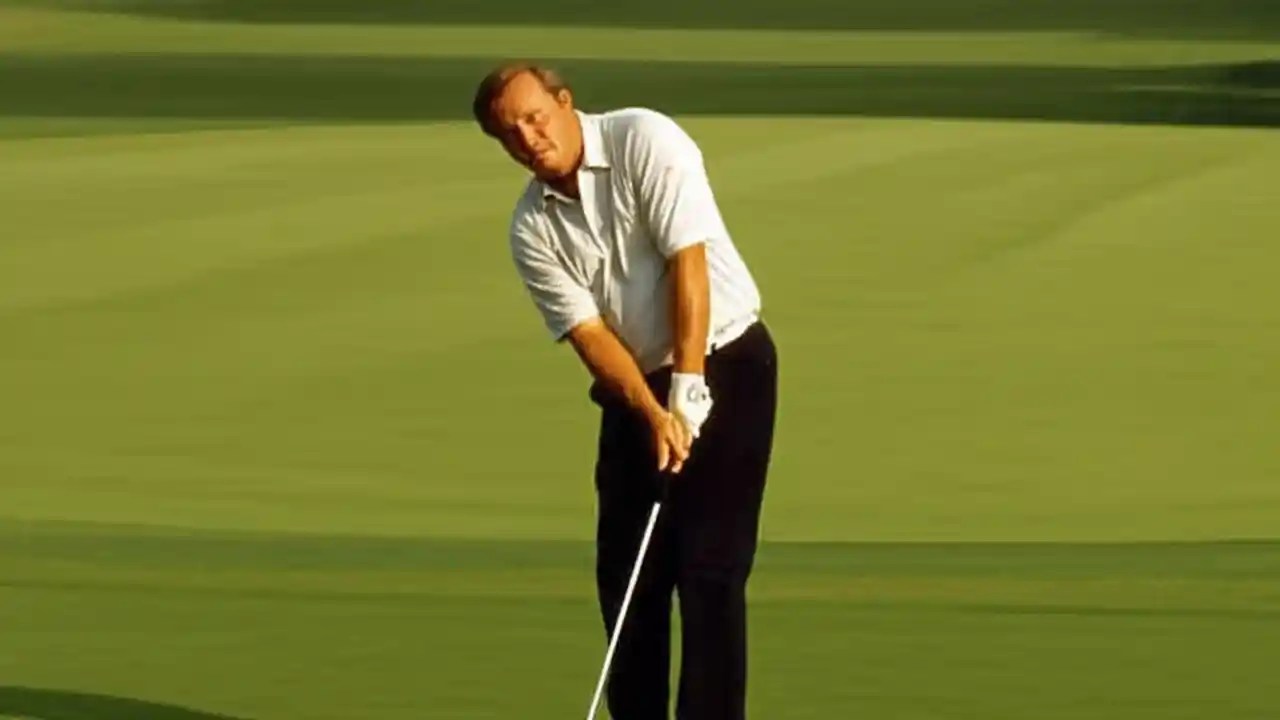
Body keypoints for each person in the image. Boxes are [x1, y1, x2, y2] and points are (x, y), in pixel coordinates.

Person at [472, 62, 779, 720]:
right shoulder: (531, 228)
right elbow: (590, 338)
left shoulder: (646, 139)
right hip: (633, 386)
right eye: (509, 132)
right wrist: (650, 409)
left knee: (709, 572)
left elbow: (686, 263)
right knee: (627, 575)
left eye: (535, 117)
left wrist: (690, 387)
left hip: (726, 361)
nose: (528, 137)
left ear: (564, 101)